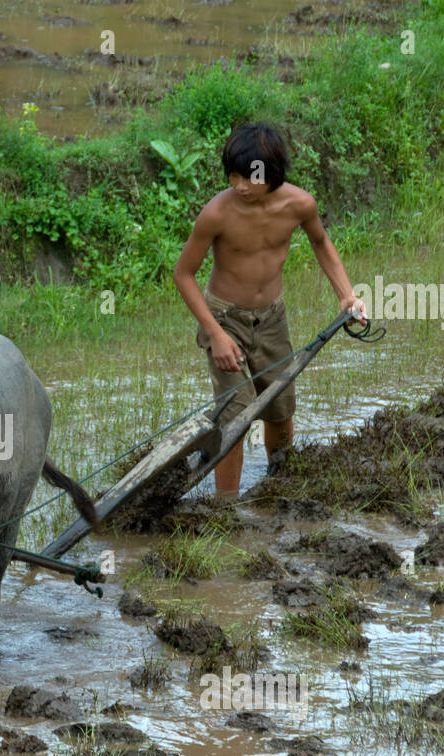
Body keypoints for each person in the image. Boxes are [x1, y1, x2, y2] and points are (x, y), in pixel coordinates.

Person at [173, 122, 367, 497]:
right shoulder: (217, 214)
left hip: (273, 319)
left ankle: (280, 488)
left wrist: (346, 294)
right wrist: (215, 335)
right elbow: (184, 275)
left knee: (280, 406)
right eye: (234, 176)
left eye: (250, 177)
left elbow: (321, 243)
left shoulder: (299, 205)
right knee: (236, 417)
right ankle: (225, 508)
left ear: (273, 174)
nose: (241, 186)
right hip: (226, 319)